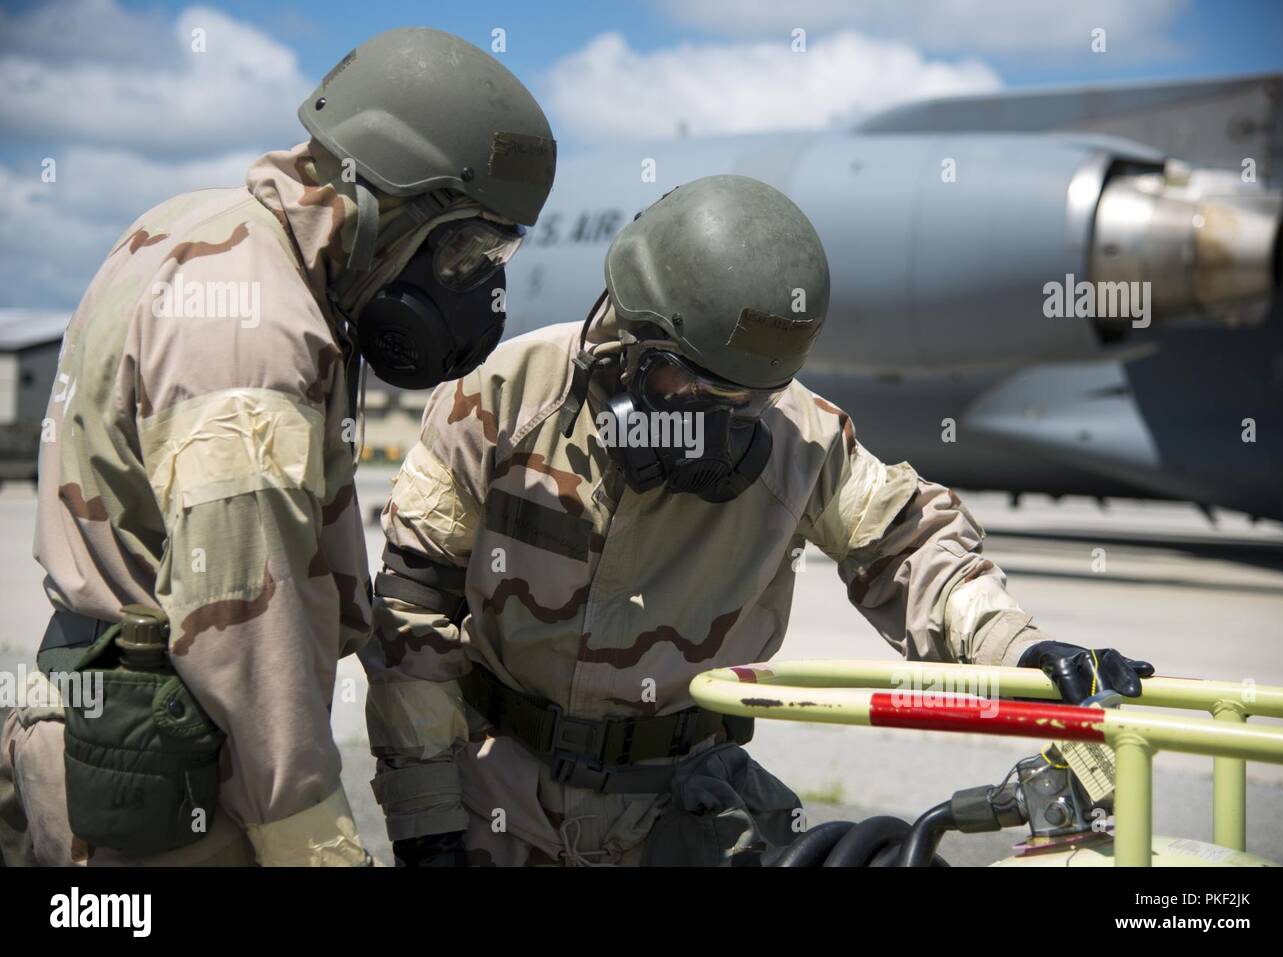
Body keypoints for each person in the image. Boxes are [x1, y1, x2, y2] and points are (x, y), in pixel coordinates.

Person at [363, 173, 1155, 867]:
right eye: (693, 388)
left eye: (745, 401)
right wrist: (429, 826)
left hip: (678, 808)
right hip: (496, 799)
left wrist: (1018, 648)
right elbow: (413, 612)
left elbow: (912, 544)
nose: (718, 424)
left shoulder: (796, 439)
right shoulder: (501, 398)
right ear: (628, 340)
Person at [0, 26, 556, 867]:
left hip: (108, 734)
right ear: (387, 203)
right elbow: (244, 632)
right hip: (178, 783)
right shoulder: (257, 325)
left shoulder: (190, 226)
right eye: (463, 248)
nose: (475, 285)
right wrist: (321, 846)